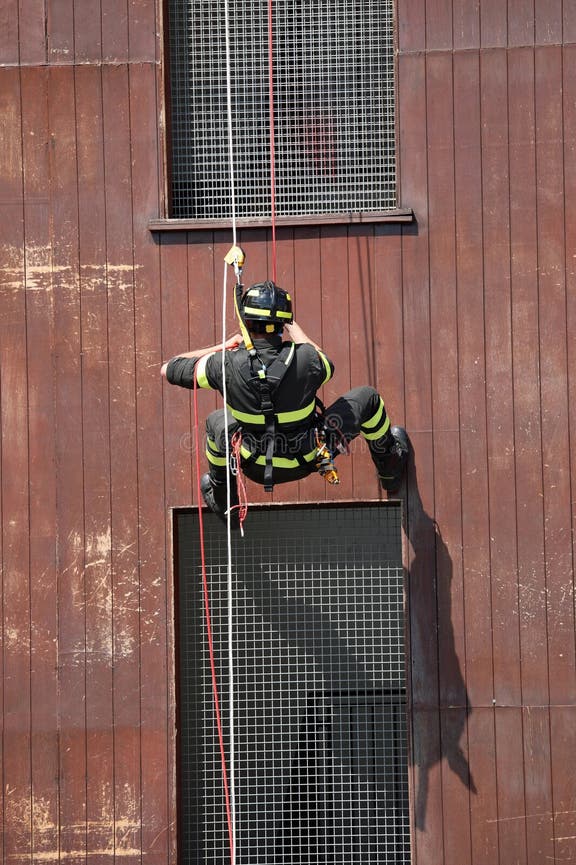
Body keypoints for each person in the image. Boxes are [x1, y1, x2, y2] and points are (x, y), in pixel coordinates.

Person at [161, 281, 408, 527]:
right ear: (283, 323)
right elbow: (324, 361)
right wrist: (291, 323)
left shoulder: (223, 364)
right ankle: (389, 467)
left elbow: (168, 368)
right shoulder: (307, 359)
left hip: (254, 465)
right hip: (309, 458)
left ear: (246, 322)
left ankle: (224, 499)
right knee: (369, 399)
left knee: (216, 421)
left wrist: (224, 347)